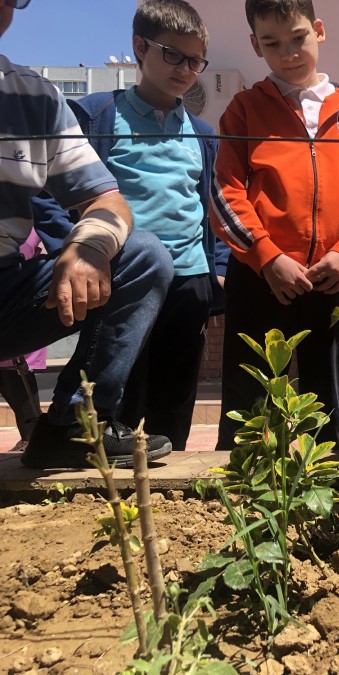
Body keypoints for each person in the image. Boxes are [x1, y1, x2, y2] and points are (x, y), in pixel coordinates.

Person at [33, 0, 228, 452]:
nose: (185, 69)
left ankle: (171, 479)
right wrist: (73, 249)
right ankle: (101, 472)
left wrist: (218, 267)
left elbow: (214, 205)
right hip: (125, 279)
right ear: (140, 47)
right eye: (173, 54)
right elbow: (46, 189)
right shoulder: (96, 115)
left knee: (174, 397)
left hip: (189, 281)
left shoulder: (202, 133)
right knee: (117, 392)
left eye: (195, 60)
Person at [0, 0, 174, 469]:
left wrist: (86, 247)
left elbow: (106, 200)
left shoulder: (35, 97)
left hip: (7, 289)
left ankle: (74, 425)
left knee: (143, 256)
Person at [211, 0, 339, 452]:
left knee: (329, 401)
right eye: (272, 43)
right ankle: (246, 485)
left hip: (335, 279)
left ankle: (328, 488)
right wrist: (267, 257)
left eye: (298, 38)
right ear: (255, 45)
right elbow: (225, 191)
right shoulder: (245, 109)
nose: (288, 53)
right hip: (262, 280)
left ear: (319, 30)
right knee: (250, 399)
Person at [0, 231, 45, 452]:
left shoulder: (29, 225)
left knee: (17, 375)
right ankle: (33, 437)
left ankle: (34, 438)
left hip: (18, 302)